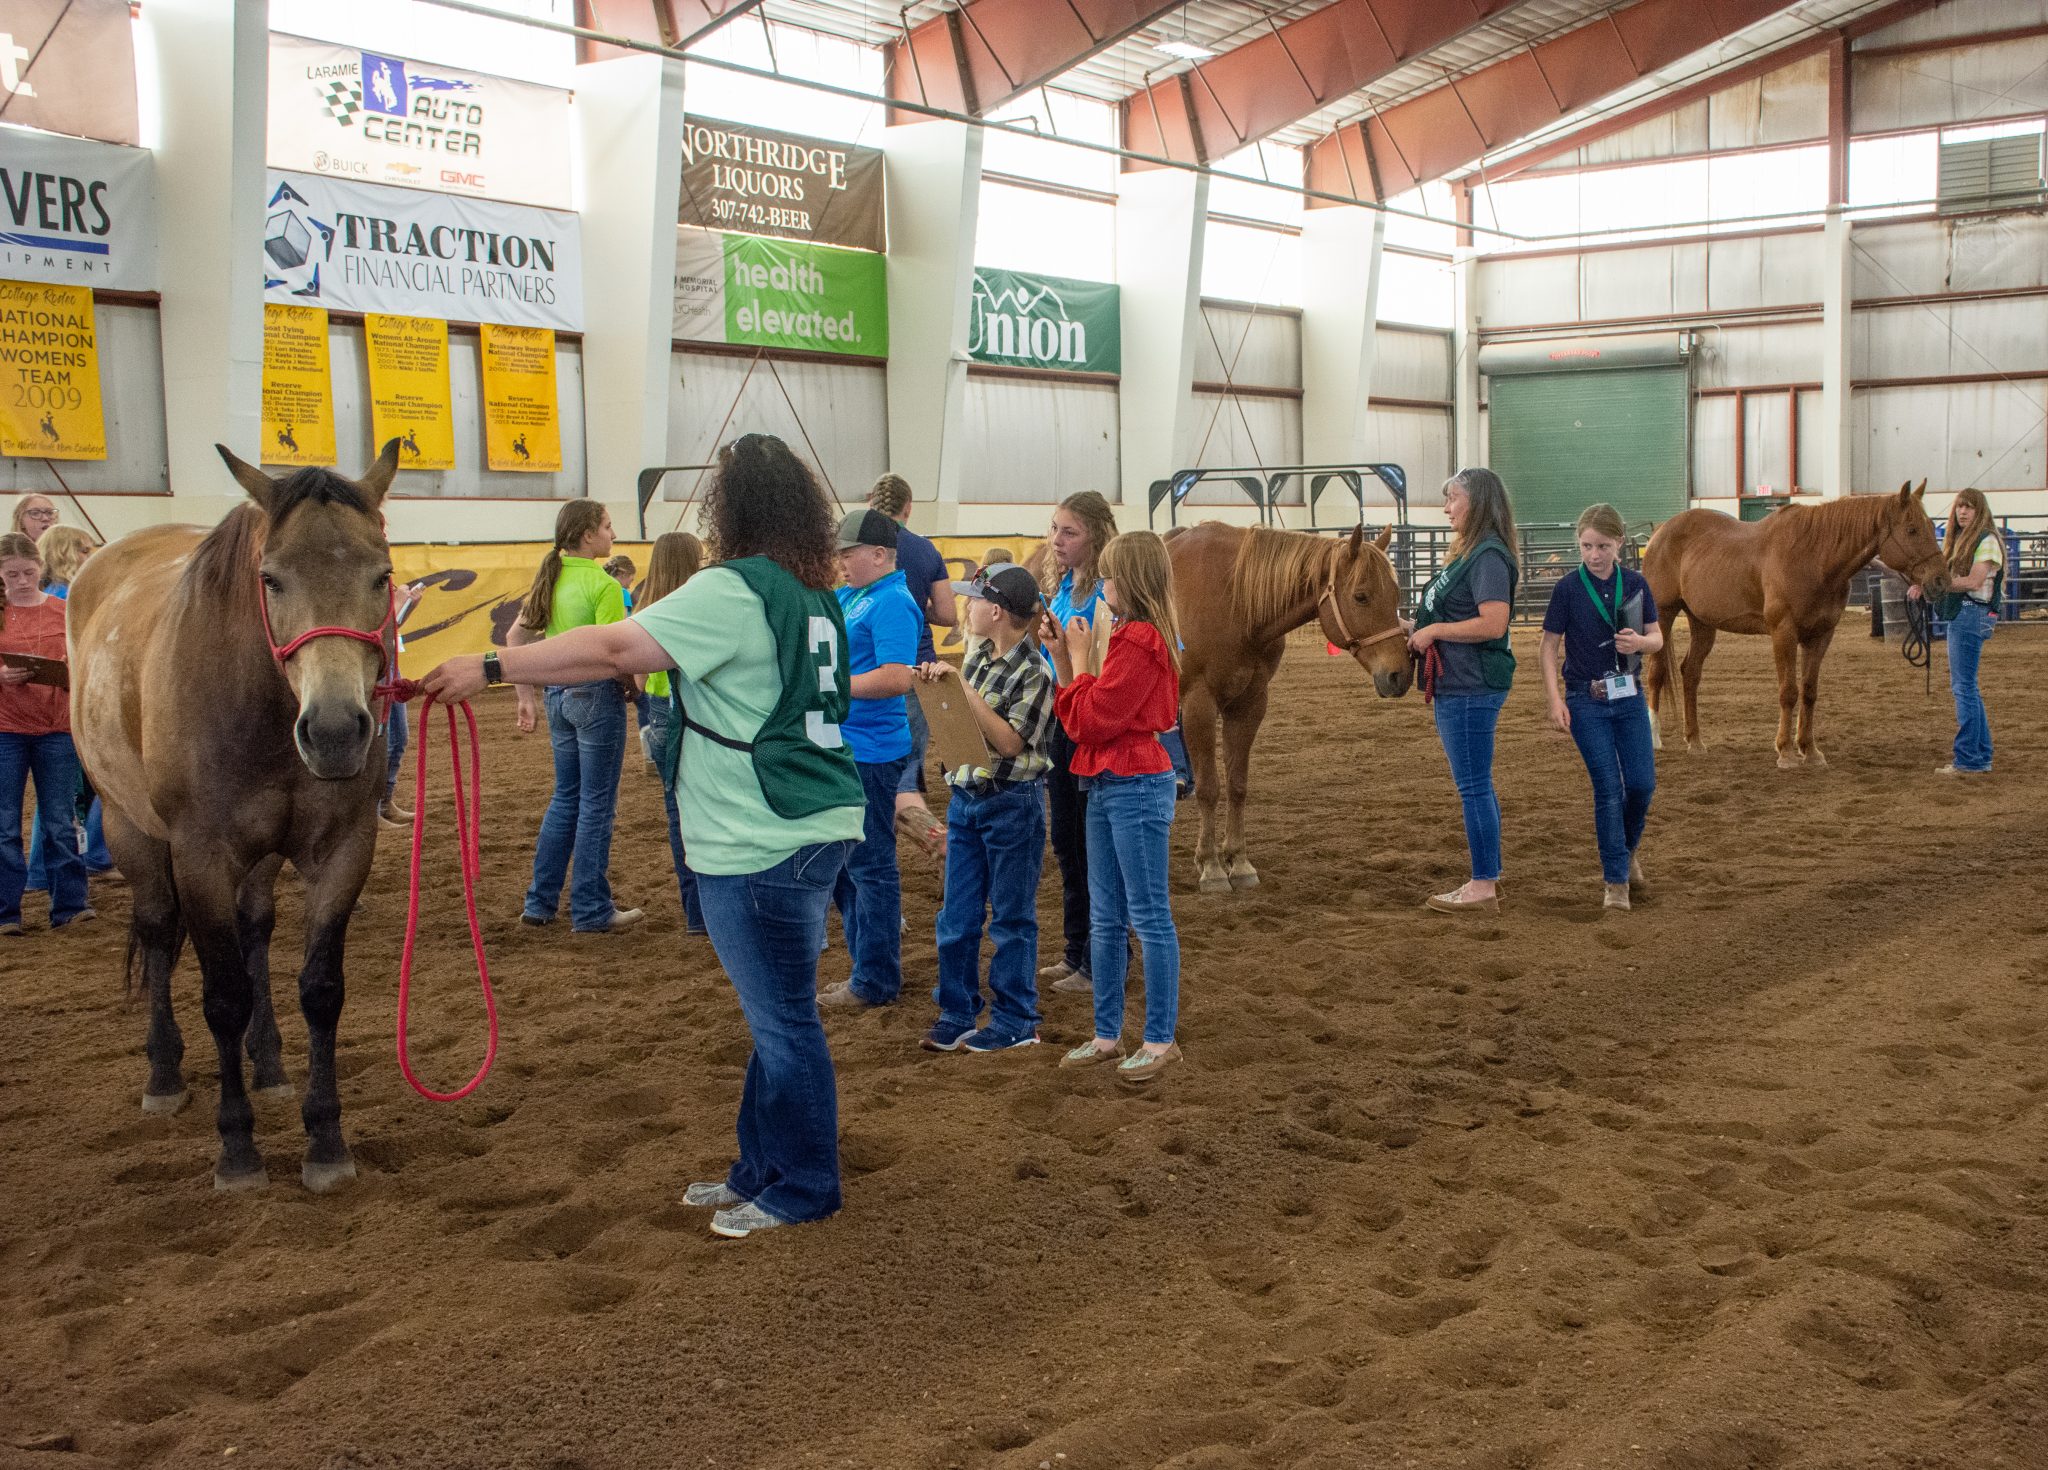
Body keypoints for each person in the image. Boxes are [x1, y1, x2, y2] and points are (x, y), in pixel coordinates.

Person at [420, 431, 865, 1239]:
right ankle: (759, 1168)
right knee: (777, 1013)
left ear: (731, 508)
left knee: (782, 1021)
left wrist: (491, 669)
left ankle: (802, 1184)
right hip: (808, 817)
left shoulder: (735, 587)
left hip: (757, 830)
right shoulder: (810, 589)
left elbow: (617, 648)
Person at [1047, 531, 1184, 1083]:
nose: (1100, 585)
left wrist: (1076, 659)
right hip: (1115, 780)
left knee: (1143, 917)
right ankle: (1109, 1035)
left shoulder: (1138, 640)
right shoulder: (1137, 637)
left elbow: (1090, 719)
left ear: (1127, 580)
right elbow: (1085, 714)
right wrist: (1065, 658)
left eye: (1107, 575)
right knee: (1113, 917)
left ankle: (1158, 1039)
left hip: (1126, 781)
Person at [913, 564, 1057, 1054]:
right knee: (957, 916)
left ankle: (1016, 1018)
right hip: (969, 798)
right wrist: (942, 689)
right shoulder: (979, 662)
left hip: (1013, 804)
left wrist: (963, 692)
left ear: (995, 611)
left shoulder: (1034, 671)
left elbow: (1011, 743)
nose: (965, 608)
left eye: (972, 600)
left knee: (1011, 918)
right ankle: (957, 1011)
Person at [510, 499, 640, 933]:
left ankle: (539, 903)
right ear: (588, 535)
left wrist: (524, 694)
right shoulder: (603, 587)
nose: (612, 534)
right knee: (596, 805)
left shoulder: (551, 579)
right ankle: (590, 908)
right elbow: (614, 651)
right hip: (595, 698)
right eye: (607, 527)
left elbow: (516, 636)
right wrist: (633, 687)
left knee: (566, 797)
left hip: (557, 698)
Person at [818, 508, 921, 1009]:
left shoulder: (892, 602)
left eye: (847, 552)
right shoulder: (856, 596)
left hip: (871, 750)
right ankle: (868, 969)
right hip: (851, 745)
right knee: (852, 863)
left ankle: (875, 978)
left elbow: (898, 677)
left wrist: (827, 689)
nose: (840, 561)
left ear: (879, 554)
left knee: (869, 864)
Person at [1540, 504, 1662, 912]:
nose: (1594, 554)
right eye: (1587, 546)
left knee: (1643, 784)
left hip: (1629, 698)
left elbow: (1657, 637)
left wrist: (1640, 645)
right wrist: (1554, 698)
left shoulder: (1637, 584)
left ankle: (1627, 851)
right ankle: (1615, 881)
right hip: (1585, 699)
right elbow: (1548, 645)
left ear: (1620, 544)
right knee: (1609, 789)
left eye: (1603, 546)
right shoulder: (1568, 588)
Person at [1409, 468, 1520, 916]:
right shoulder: (1473, 554)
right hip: (1461, 683)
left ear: (1474, 502)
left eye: (1452, 498)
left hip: (1471, 686)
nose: (1446, 507)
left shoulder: (1487, 557)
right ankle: (1485, 876)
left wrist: (1435, 629)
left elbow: (1493, 623)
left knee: (1474, 786)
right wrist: (1415, 629)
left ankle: (1482, 886)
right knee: (1476, 785)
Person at [1037, 490, 1118, 996]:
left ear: (1095, 536)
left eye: (1069, 531)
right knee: (1068, 841)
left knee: (1091, 847)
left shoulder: (1105, 597)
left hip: (1088, 720)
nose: (1057, 540)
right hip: (1062, 720)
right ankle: (1076, 951)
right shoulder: (1065, 587)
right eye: (1054, 530)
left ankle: (1100, 958)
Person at [2, 533, 91, 935]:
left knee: (61, 820)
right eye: (12, 574)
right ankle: (6, 912)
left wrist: (67, 675)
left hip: (57, 728)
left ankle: (70, 905)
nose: (22, 580)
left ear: (40, 568)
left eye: (29, 572)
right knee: (4, 826)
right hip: (5, 729)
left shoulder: (64, 610)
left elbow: (85, 661)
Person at [865, 475, 957, 856]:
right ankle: (938, 842)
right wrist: (918, 609)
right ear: (909, 508)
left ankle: (938, 843)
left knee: (885, 776)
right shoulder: (925, 551)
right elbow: (949, 614)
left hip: (869, 670)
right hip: (919, 670)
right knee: (907, 769)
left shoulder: (862, 551)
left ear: (871, 503)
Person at [22, 527, 111, 882]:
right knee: (91, 788)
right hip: (68, 707)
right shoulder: (68, 598)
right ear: (68, 553)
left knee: (62, 796)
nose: (90, 556)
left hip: (52, 708)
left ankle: (43, 871)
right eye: (84, 550)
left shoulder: (50, 595)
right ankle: (97, 854)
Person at [638, 530, 708, 933]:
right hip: (697, 711)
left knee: (675, 811)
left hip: (661, 709)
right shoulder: (698, 605)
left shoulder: (650, 606)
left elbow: (637, 673)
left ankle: (694, 912)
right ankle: (711, 909)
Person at [1915, 487, 2002, 776]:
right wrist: (1926, 585)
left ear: (1980, 511)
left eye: (1969, 508)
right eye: (1960, 507)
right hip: (1970, 615)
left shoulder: (1985, 541)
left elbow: (1975, 581)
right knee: (1968, 688)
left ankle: (1968, 759)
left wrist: (1935, 585)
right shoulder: (1967, 540)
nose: (1962, 512)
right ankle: (1980, 754)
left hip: (1969, 614)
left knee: (1963, 688)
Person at [378, 580, 426, 830]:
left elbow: (390, 630)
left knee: (397, 738)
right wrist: (398, 604)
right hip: (378, 667)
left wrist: (407, 605)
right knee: (385, 740)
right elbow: (375, 632)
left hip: (389, 665)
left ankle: (384, 803)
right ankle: (374, 808)